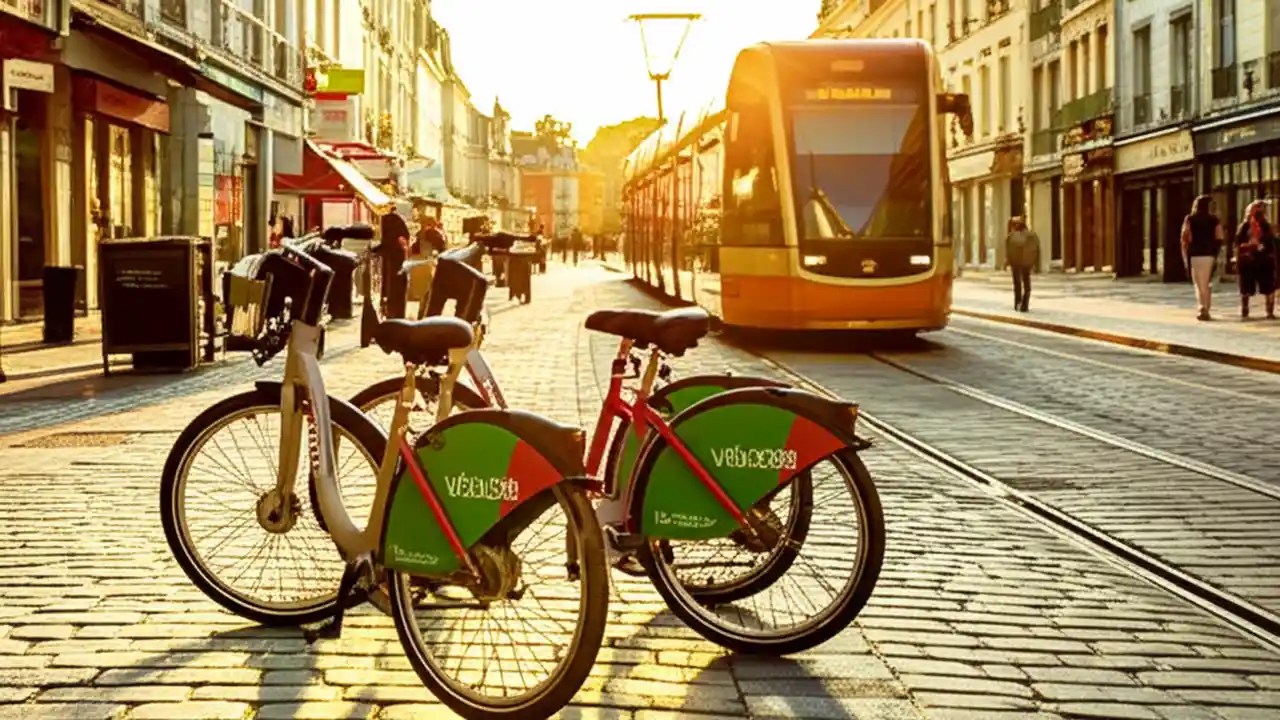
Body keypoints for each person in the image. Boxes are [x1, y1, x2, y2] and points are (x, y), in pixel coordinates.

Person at [1180, 195, 1225, 321]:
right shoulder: (1214, 220)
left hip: (1195, 253)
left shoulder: (1190, 218)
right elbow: (1219, 236)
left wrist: (1185, 252)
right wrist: (1216, 252)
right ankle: (1206, 308)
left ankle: (1202, 308)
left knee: (1199, 283)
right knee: (1207, 282)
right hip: (1209, 253)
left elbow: (1185, 236)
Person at [1234, 200, 1277, 319]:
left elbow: (1271, 243)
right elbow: (1238, 243)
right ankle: (1253, 310)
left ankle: (1265, 310)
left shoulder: (1263, 226)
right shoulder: (1247, 226)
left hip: (1259, 259)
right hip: (1252, 259)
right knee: (1253, 286)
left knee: (1266, 286)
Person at [377, 203, 412, 319]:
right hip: (398, 259)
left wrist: (376, 250)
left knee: (390, 287)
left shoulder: (388, 219)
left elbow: (386, 241)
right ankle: (396, 313)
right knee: (397, 288)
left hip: (391, 259)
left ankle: (390, 312)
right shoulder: (398, 220)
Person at [1004, 216, 1040, 312]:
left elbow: (1008, 252)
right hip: (1027, 263)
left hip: (1016, 263)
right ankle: (1025, 304)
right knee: (1027, 284)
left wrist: (1008, 262)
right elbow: (1037, 250)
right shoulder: (1032, 235)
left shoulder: (1011, 237)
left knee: (1017, 284)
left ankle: (1017, 303)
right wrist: (1036, 264)